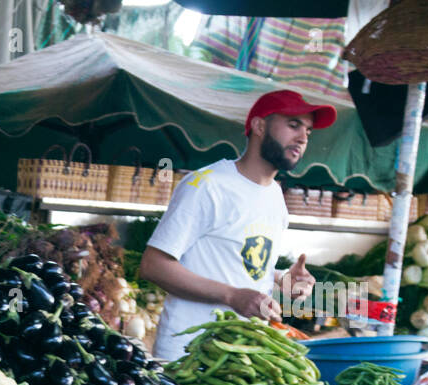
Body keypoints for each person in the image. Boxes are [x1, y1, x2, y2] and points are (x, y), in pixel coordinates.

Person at [139, 89, 337, 361]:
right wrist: (232, 296)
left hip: (241, 360)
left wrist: (281, 280)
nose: (302, 138)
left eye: (308, 131)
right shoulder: (207, 185)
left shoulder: (275, 197)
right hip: (188, 357)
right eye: (293, 125)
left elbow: (239, 265)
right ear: (259, 125)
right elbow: (154, 265)